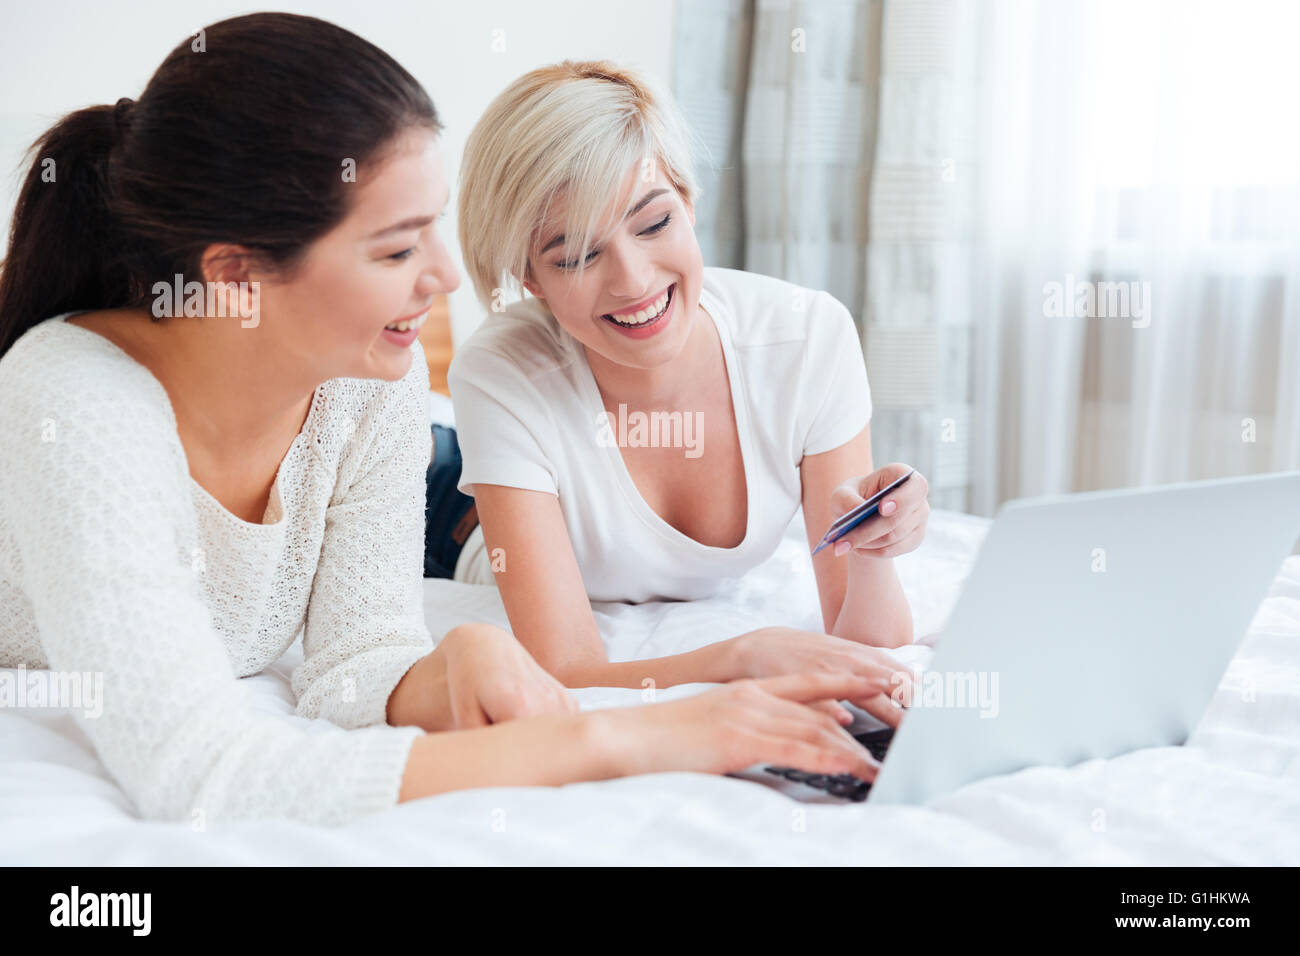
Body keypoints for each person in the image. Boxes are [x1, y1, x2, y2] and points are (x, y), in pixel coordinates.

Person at [0, 14, 905, 826]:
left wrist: (452, 663)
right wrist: (628, 739)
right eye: (396, 247)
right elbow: (198, 775)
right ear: (238, 276)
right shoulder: (74, 403)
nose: (446, 277)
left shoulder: (370, 380)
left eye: (432, 228)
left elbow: (350, 666)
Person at [432, 61, 930, 718]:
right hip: (449, 515)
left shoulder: (806, 338)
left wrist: (873, 548)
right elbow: (566, 669)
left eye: (652, 222)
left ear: (689, 204)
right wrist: (744, 657)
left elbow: (871, 640)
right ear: (532, 280)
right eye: (577, 256)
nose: (633, 281)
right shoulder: (502, 372)